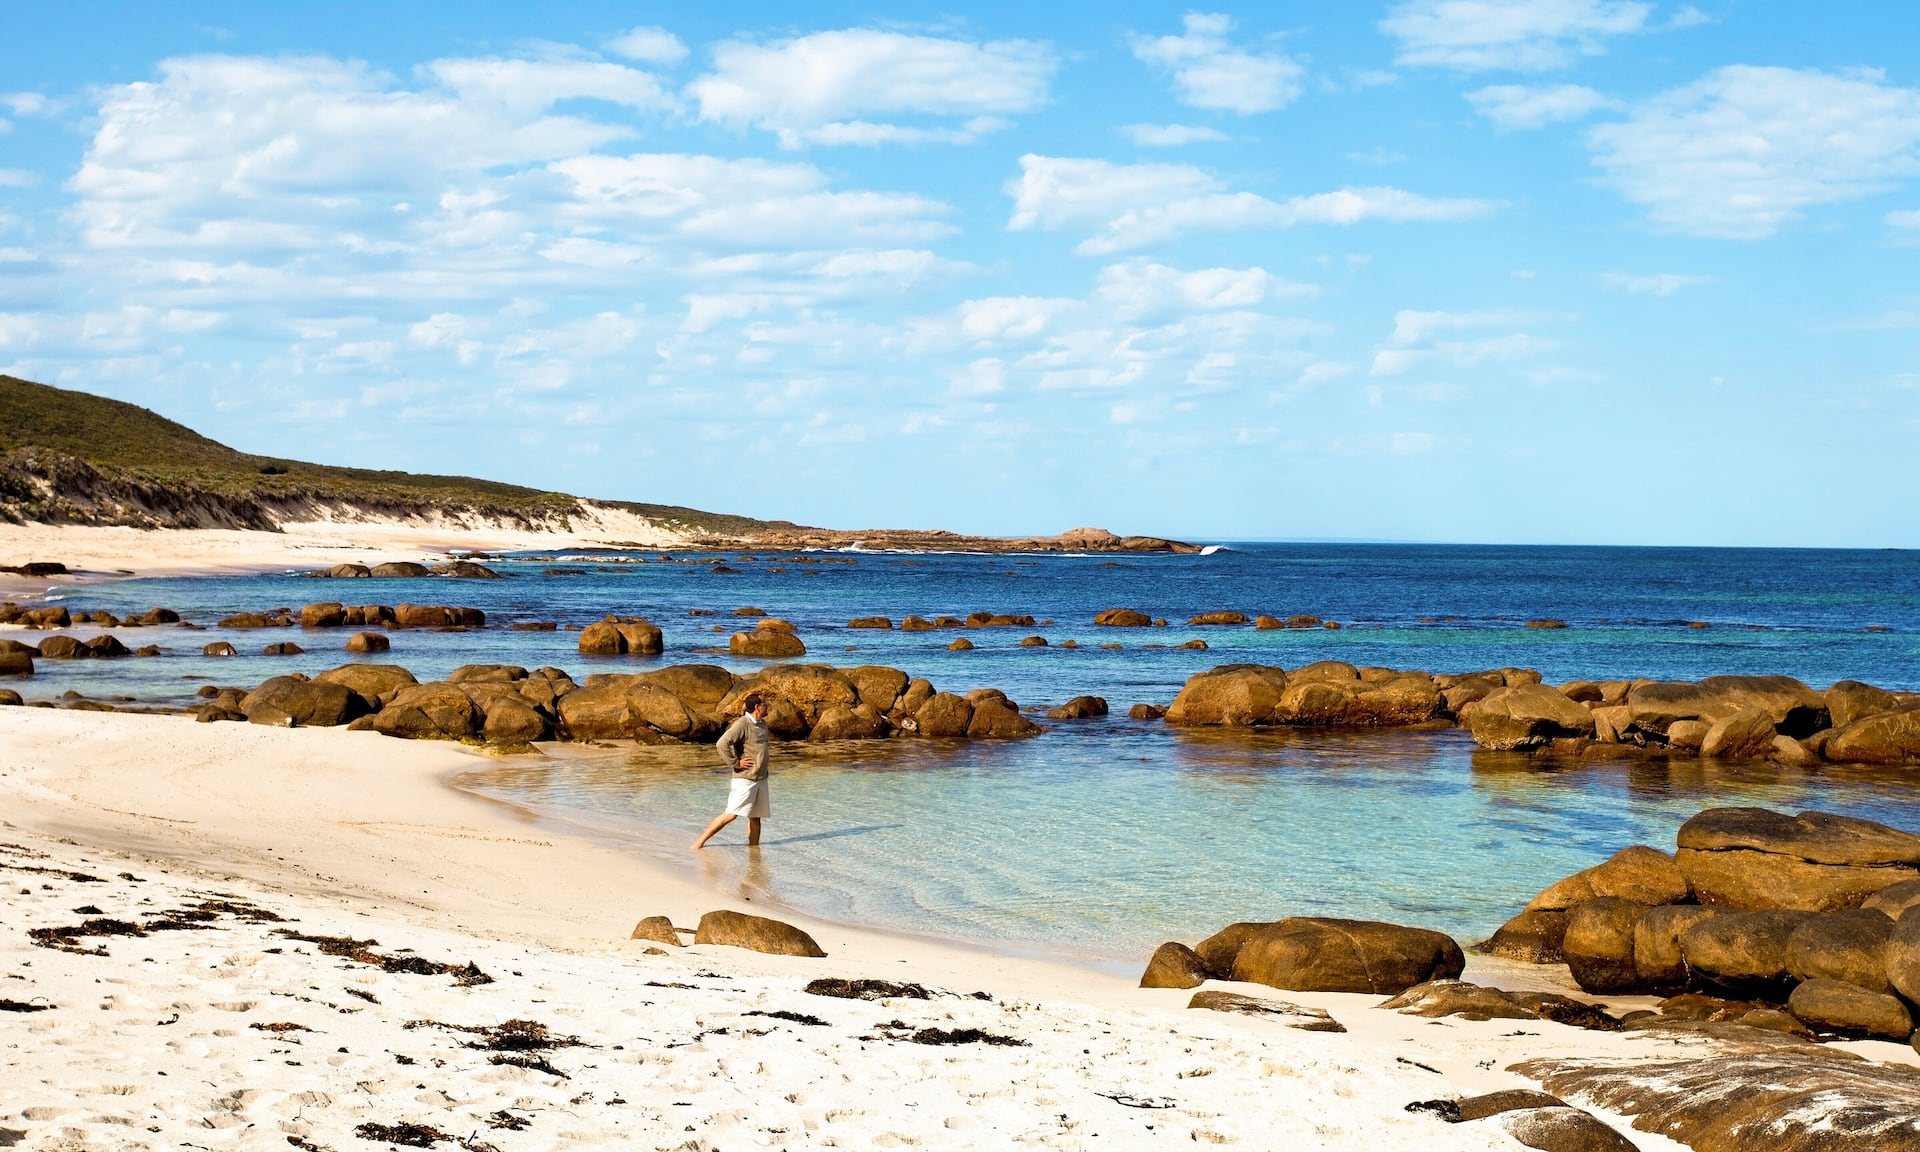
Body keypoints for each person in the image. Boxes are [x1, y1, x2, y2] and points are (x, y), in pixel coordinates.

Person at [692, 693, 772, 849]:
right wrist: (735, 763)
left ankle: (754, 852)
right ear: (757, 707)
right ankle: (698, 843)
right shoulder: (743, 724)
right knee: (731, 814)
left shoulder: (762, 724)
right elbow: (722, 744)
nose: (767, 706)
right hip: (745, 779)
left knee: (755, 818)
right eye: (765, 704)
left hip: (761, 778)